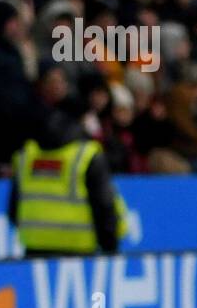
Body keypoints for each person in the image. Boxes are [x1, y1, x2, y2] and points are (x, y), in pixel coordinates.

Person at [8, 107, 126, 257]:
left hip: (34, 252)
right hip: (80, 254)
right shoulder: (87, 155)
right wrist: (110, 246)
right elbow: (104, 205)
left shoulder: (25, 156)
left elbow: (13, 211)